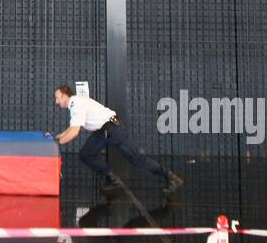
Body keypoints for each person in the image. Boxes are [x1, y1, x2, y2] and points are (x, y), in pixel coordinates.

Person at [52, 85, 184, 199]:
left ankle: (170, 177)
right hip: (101, 132)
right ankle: (111, 177)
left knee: (137, 159)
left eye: (57, 98)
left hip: (113, 130)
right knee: (86, 154)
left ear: (65, 96)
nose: (56, 102)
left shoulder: (75, 104)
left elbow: (75, 131)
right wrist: (57, 138)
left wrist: (57, 144)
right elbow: (73, 127)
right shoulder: (76, 103)